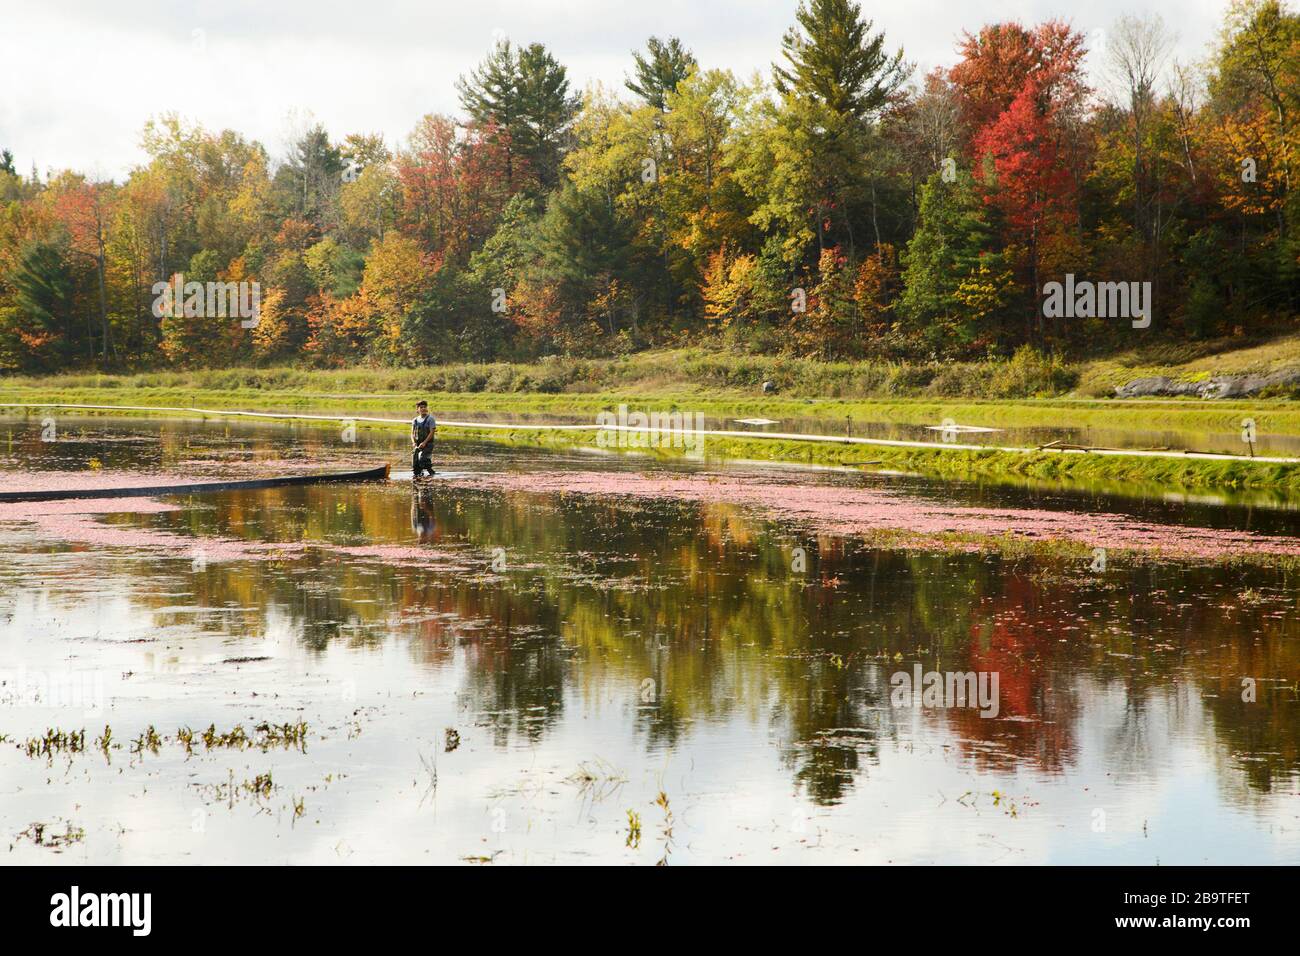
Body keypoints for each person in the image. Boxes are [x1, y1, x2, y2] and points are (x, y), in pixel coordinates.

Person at [411, 400, 436, 478]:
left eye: (425, 407)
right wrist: (413, 442)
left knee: (422, 459)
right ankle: (418, 476)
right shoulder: (415, 420)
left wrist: (424, 442)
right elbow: (412, 433)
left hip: (428, 444)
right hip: (418, 445)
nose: (423, 409)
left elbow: (432, 432)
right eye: (421, 407)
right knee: (415, 462)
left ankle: (430, 473)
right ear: (417, 409)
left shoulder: (430, 419)